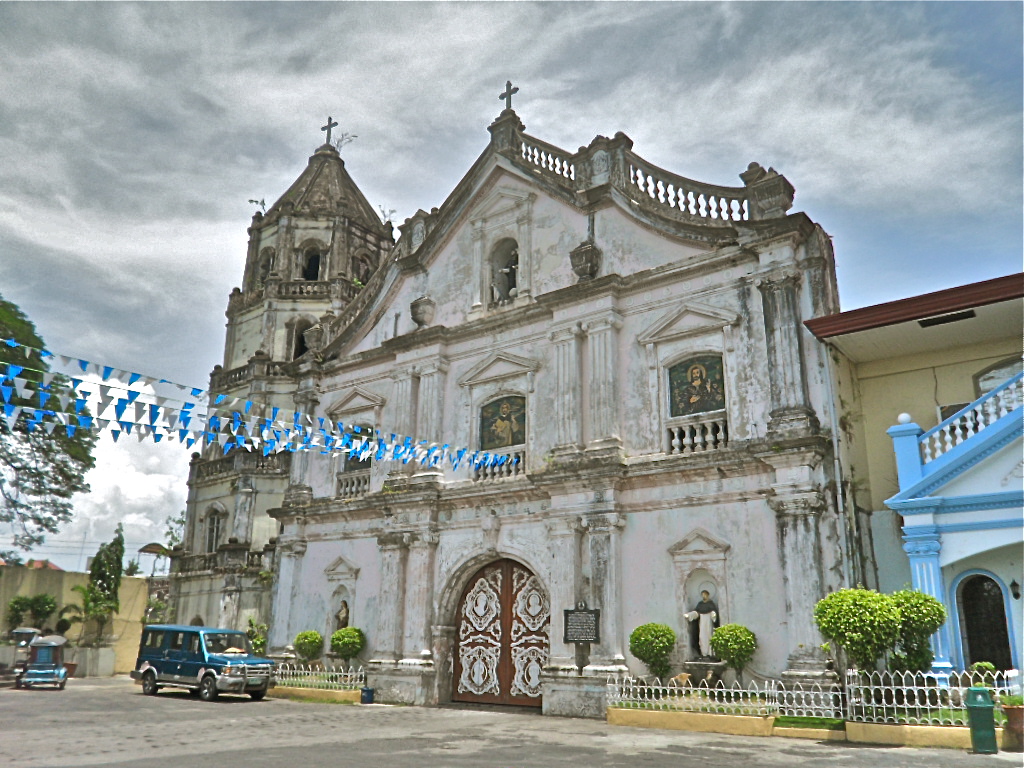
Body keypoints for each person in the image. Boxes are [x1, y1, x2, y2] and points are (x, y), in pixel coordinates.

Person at [684, 590, 720, 659]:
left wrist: (713, 615)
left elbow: (714, 613)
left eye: (705, 594)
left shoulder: (711, 604)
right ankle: (703, 653)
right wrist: (690, 615)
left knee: (710, 637)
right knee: (702, 637)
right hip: (702, 623)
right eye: (702, 595)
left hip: (709, 623)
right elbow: (696, 613)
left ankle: (710, 653)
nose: (704, 596)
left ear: (708, 595)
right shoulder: (700, 604)